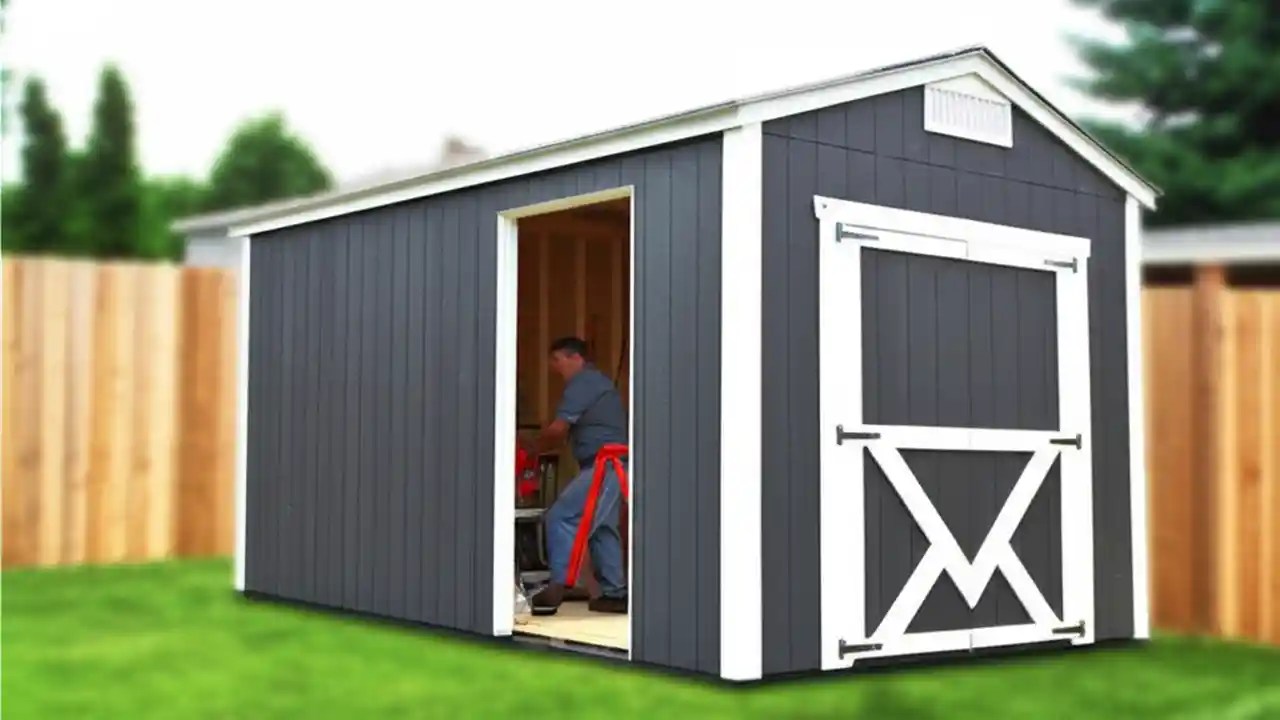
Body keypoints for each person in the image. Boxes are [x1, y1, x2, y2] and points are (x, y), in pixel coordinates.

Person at [523, 336, 628, 615]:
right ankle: (615, 594)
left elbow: (558, 430)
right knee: (602, 528)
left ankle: (560, 583)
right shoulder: (597, 383)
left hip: (605, 463)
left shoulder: (582, 382)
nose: (555, 368)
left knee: (561, 516)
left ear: (575, 358)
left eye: (557, 360)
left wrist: (529, 447)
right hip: (615, 463)